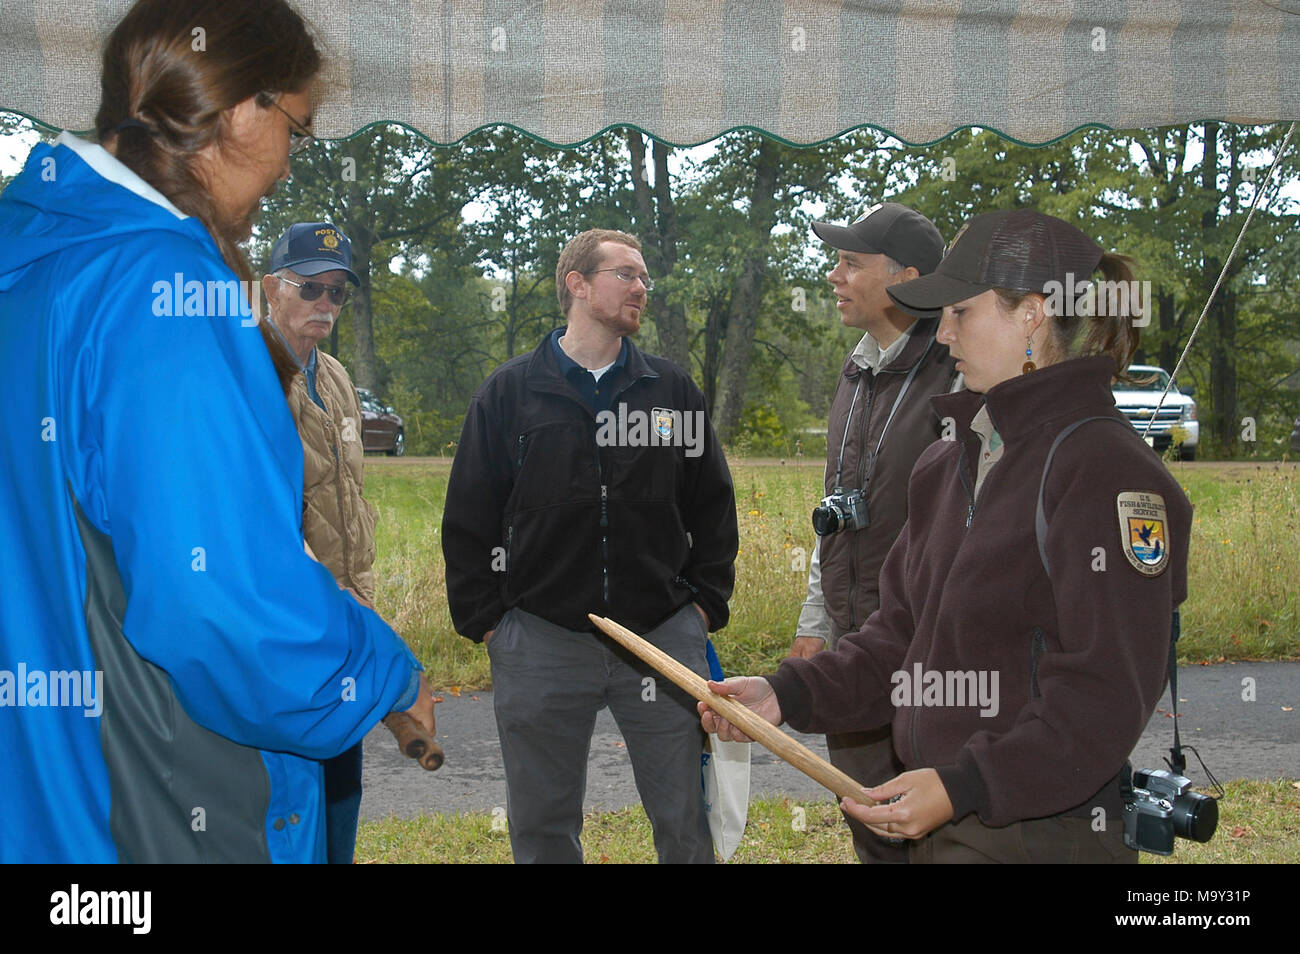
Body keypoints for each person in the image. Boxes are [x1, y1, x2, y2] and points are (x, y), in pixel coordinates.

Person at [0, 0, 434, 863]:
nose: (282, 166)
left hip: (45, 802)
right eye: (296, 130)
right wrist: (380, 670)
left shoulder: (35, 260)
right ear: (243, 109)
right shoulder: (160, 287)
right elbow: (219, 604)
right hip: (154, 811)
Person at [703, 210, 1192, 863]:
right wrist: (786, 691)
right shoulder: (948, 462)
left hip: (1042, 833)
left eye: (961, 312)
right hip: (947, 824)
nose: (945, 333)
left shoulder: (1108, 473)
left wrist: (966, 783)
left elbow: (1104, 695)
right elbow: (895, 638)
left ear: (1032, 315)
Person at [442, 228, 739, 864]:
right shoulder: (510, 393)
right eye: (626, 275)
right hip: (542, 640)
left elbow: (713, 506)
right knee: (543, 825)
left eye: (645, 278)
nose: (642, 288)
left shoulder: (670, 392)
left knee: (686, 819)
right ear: (578, 284)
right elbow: (469, 518)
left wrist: (703, 608)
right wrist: (491, 623)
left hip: (661, 640)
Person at [788, 202, 957, 864]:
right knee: (872, 826)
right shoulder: (855, 371)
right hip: (858, 654)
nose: (834, 276)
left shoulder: (959, 371)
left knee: (943, 835)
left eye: (850, 263)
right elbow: (837, 509)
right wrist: (817, 622)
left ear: (908, 279)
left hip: (936, 659)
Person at [261, 222, 377, 864]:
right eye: (310, 289)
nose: (325, 306)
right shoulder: (245, 371)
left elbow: (347, 498)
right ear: (273, 286)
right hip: (278, 626)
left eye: (337, 293)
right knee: (279, 793)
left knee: (340, 781)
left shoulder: (333, 376)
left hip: (345, 621)